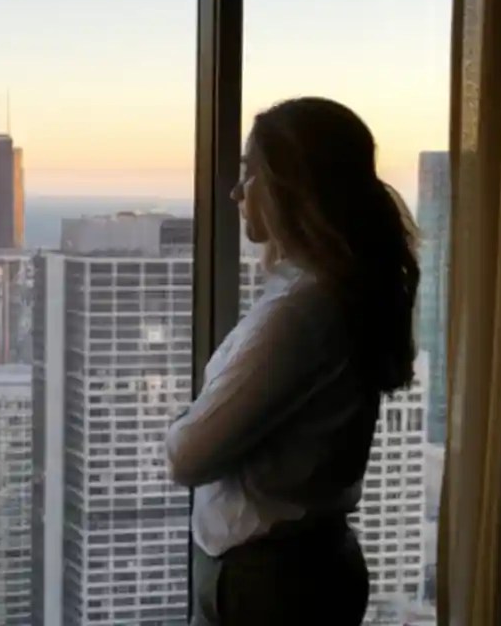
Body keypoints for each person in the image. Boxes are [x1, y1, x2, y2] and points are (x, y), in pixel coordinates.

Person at [166, 97, 420, 625]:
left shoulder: (301, 312)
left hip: (270, 584)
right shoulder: (333, 293)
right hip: (304, 566)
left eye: (247, 174)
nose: (236, 193)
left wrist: (183, 423)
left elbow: (188, 456)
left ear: (288, 185)